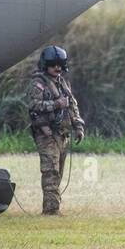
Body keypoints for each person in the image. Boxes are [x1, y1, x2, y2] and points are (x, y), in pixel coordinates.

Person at [27, 44, 85, 215]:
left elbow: (72, 106)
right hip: (47, 135)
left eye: (60, 64)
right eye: (53, 65)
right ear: (46, 65)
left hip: (63, 135)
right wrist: (55, 104)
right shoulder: (38, 84)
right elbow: (33, 105)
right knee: (50, 172)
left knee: (58, 172)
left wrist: (78, 126)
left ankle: (53, 207)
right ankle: (51, 210)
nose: (57, 68)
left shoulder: (62, 84)